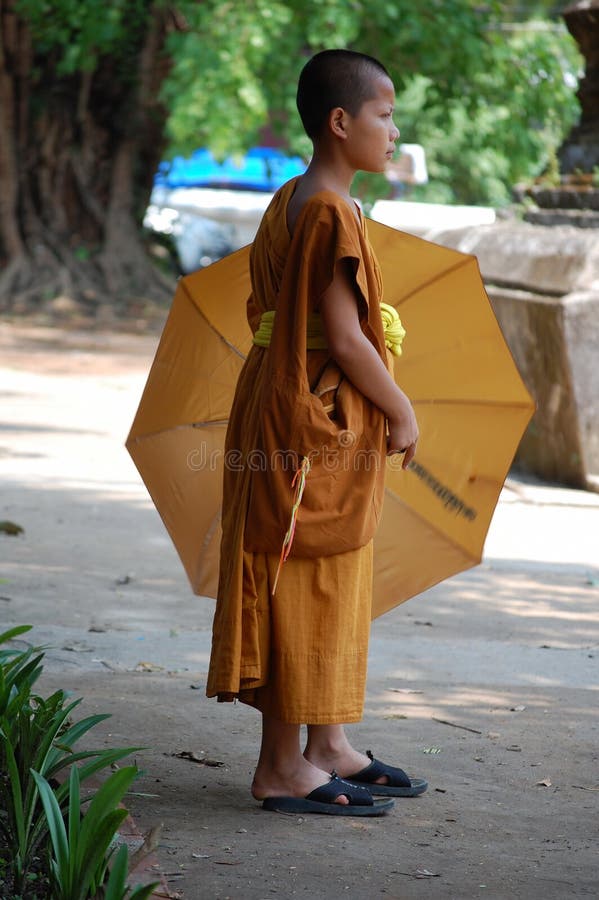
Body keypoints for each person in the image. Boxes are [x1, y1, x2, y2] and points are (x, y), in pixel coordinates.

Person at [206, 48, 427, 816]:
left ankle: (326, 743)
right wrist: (399, 406)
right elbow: (342, 336)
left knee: (330, 571)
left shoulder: (293, 198)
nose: (394, 131)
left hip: (291, 402)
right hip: (308, 411)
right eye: (385, 114)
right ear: (341, 122)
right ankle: (279, 766)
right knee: (297, 569)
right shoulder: (328, 210)